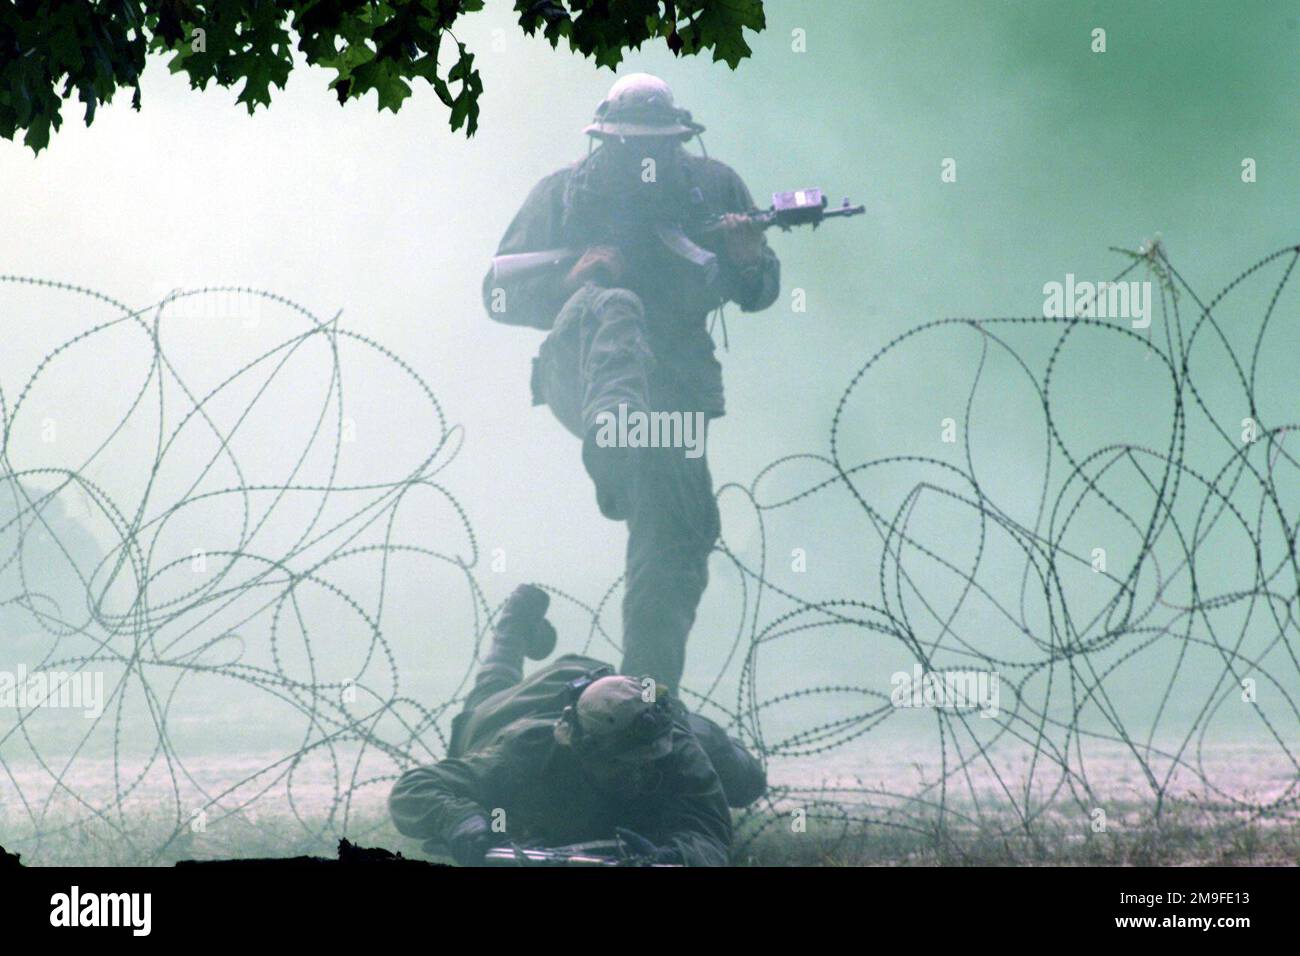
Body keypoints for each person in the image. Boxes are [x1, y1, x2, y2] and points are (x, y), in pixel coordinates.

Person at [481, 74, 781, 695]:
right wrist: (572, 281)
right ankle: (612, 441)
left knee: (676, 545)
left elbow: (761, 293)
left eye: (659, 146)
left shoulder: (714, 187)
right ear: (604, 143)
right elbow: (497, 292)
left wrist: (749, 259)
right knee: (616, 303)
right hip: (583, 373)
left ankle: (640, 708)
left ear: (680, 141)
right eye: (631, 146)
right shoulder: (564, 195)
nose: (646, 159)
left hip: (671, 401)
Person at [388, 585, 765, 866]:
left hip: (618, 694)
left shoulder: (673, 747)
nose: (638, 772)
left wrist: (673, 857)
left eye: (644, 760)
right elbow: (414, 788)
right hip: (518, 710)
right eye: (622, 763)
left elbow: (708, 834)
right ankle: (514, 625)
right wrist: (459, 820)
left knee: (747, 780)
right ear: (581, 748)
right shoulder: (525, 749)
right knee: (490, 694)